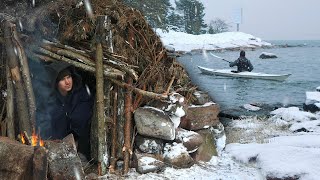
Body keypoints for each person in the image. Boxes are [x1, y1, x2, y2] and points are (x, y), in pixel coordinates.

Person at [46, 61, 94, 156]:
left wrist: (75, 138)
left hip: (81, 145)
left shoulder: (81, 96)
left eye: (69, 77)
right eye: (62, 79)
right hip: (57, 145)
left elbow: (83, 119)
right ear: (56, 82)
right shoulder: (51, 100)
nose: (67, 82)